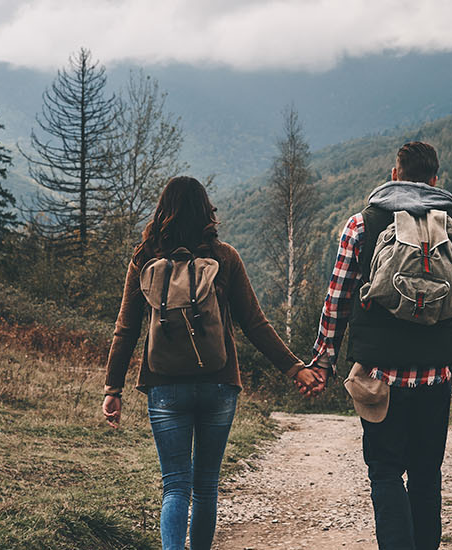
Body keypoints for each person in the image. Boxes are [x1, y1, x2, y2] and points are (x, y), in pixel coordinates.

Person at [101, 176, 322, 550]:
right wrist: (295, 367)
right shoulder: (224, 258)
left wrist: (113, 389)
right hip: (219, 384)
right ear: (206, 212)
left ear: (162, 212)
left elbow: (125, 329)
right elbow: (255, 323)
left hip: (164, 384)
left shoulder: (144, 260)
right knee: (205, 485)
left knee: (175, 485)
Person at [305, 142, 452, 550]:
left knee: (385, 472)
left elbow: (336, 302)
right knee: (426, 474)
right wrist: (451, 357)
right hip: (435, 379)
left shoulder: (362, 225)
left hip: (378, 379)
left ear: (394, 174)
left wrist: (323, 361)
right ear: (435, 180)